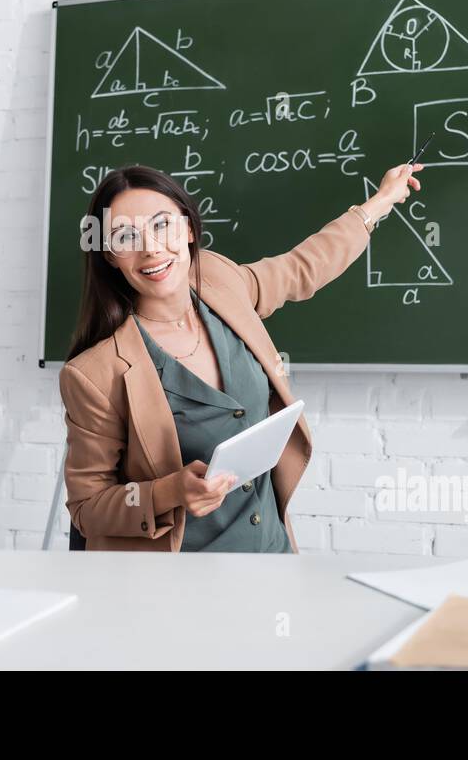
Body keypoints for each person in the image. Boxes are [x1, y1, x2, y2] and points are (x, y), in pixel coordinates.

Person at [60, 161, 423, 552]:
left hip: (273, 556)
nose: (150, 248)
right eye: (125, 236)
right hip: (177, 588)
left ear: (188, 229)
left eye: (162, 225)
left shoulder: (220, 281)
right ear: (111, 256)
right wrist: (168, 492)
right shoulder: (95, 373)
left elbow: (302, 268)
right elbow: (88, 506)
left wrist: (380, 202)